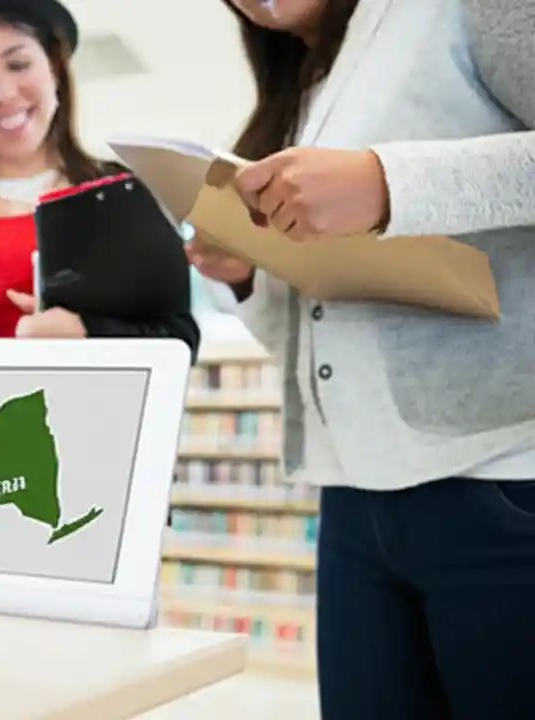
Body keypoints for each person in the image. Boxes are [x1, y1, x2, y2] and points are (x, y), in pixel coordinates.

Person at [189, 1, 535, 717]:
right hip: (352, 495)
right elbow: (324, 329)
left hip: (503, 475)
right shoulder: (308, 87)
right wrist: (250, 276)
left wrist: (388, 183)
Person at [0, 0, 200, 379]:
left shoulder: (125, 195)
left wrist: (87, 334)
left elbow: (178, 340)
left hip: (96, 427)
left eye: (18, 64)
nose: (1, 93)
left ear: (55, 70)